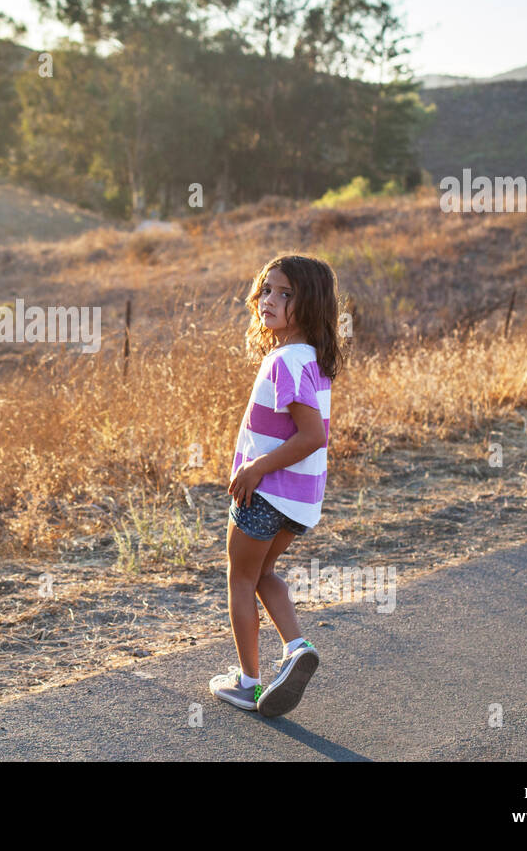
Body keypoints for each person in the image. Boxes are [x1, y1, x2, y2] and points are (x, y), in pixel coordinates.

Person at [210, 254, 341, 717]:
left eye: (286, 294)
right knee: (263, 574)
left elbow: (312, 435)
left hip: (265, 491)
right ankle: (297, 647)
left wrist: (254, 469)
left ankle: (247, 684)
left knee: (240, 577)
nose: (270, 300)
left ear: (310, 305)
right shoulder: (313, 359)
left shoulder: (284, 360)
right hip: (299, 499)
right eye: (267, 289)